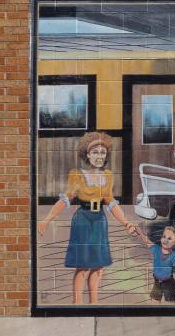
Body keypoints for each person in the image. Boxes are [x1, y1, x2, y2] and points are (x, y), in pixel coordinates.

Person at [38, 131, 147, 305]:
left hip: (99, 221)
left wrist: (126, 222)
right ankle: (77, 303)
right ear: (87, 154)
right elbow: (66, 198)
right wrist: (46, 219)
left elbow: (110, 202)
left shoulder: (108, 176)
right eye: (95, 152)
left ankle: (94, 303)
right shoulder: (77, 175)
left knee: (98, 265)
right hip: (82, 220)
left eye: (102, 153)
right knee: (82, 265)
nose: (99, 156)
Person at [149, 225, 175, 302]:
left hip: (168, 283)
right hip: (157, 282)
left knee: (170, 302)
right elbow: (146, 241)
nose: (165, 240)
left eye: (169, 238)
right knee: (154, 300)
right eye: (164, 236)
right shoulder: (156, 249)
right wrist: (138, 232)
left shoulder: (174, 256)